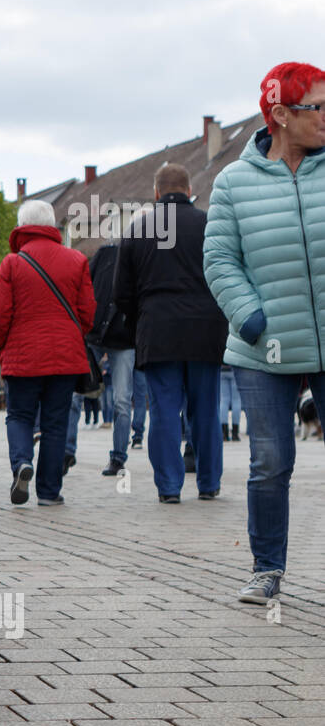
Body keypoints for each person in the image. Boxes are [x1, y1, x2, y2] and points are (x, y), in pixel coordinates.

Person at [204, 61, 325, 604]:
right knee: (271, 460)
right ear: (280, 114)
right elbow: (220, 260)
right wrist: (250, 315)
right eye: (316, 107)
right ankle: (267, 569)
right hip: (263, 347)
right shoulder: (233, 182)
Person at [115, 162, 227, 505]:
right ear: (190, 190)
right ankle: (208, 483)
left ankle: (169, 487)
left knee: (163, 410)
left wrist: (138, 326)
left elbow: (122, 293)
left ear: (156, 193)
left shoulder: (138, 228)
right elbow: (227, 274)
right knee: (206, 409)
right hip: (207, 330)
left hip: (158, 331)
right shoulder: (210, 225)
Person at [0, 200, 95, 506]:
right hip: (65, 357)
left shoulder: (12, 263)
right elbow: (87, 313)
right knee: (55, 423)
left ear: (22, 227)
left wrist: (1, 346)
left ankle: (22, 463)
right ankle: (49, 492)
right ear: (52, 226)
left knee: (20, 415)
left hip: (22, 356)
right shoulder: (76, 260)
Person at [86, 235, 136, 473]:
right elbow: (86, 286)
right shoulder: (105, 253)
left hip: (124, 339)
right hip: (95, 334)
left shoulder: (142, 257)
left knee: (122, 401)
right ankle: (66, 451)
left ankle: (118, 458)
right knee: (77, 394)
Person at [218, 364, 242, 440]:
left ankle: (224, 433)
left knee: (224, 400)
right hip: (234, 368)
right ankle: (235, 434)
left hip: (222, 369)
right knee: (236, 400)